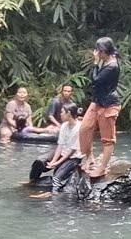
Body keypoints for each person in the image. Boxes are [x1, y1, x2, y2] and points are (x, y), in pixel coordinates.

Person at [79, 37, 123, 177]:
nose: (97, 53)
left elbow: (96, 81)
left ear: (103, 51)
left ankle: (102, 168)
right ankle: (89, 157)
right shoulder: (107, 61)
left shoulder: (112, 66)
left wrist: (96, 63)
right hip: (97, 101)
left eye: (98, 51)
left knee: (107, 139)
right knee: (84, 129)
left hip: (109, 104)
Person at [44, 105, 84, 191]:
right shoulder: (64, 125)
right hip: (63, 154)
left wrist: (58, 162)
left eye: (62, 112)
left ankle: (54, 197)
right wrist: (53, 161)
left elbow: (72, 150)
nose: (60, 114)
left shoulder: (79, 128)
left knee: (56, 178)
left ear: (68, 113)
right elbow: (60, 145)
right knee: (41, 163)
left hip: (74, 158)